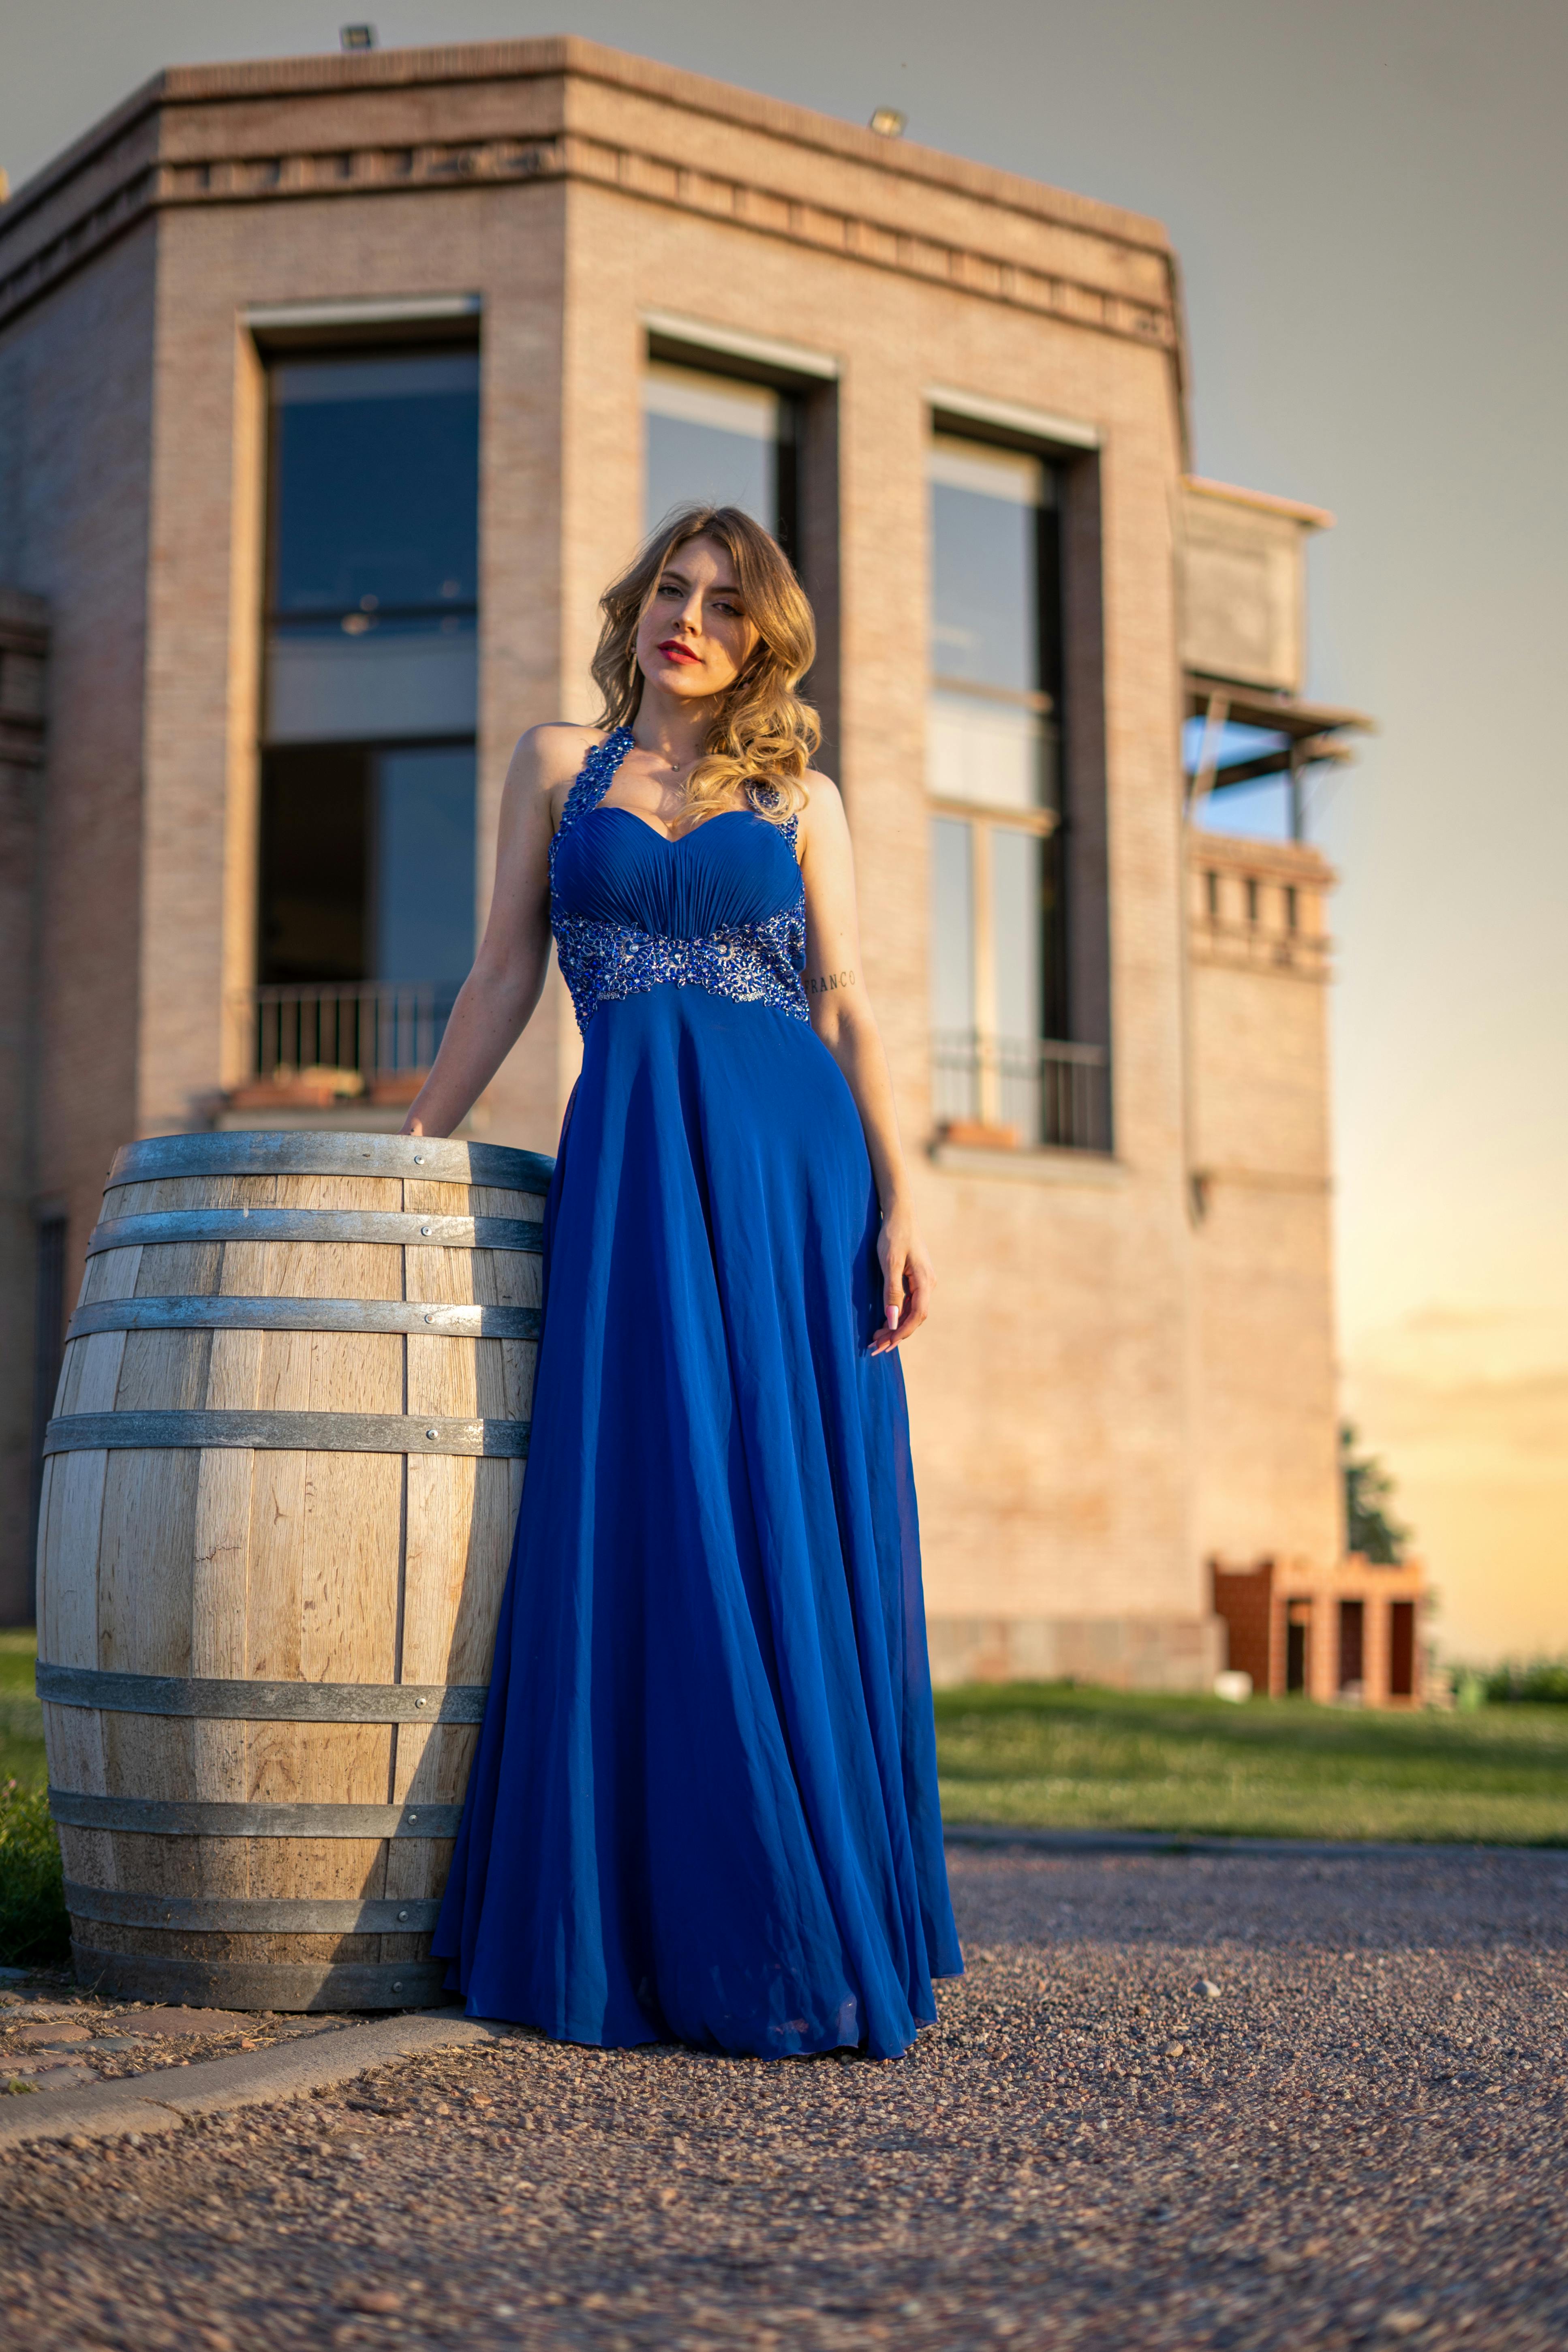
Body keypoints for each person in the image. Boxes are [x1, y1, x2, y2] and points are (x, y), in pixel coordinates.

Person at [410, 504, 962, 2059]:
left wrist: (905, 1195)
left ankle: (798, 1913)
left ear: (761, 636)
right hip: (635, 1167)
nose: (692, 619)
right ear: (639, 604)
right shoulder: (551, 766)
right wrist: (407, 1148)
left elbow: (846, 1001)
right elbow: (505, 972)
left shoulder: (800, 792)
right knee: (648, 1499)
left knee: (771, 1503)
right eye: (674, 588)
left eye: (726, 603)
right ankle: (649, 1912)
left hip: (790, 1177)